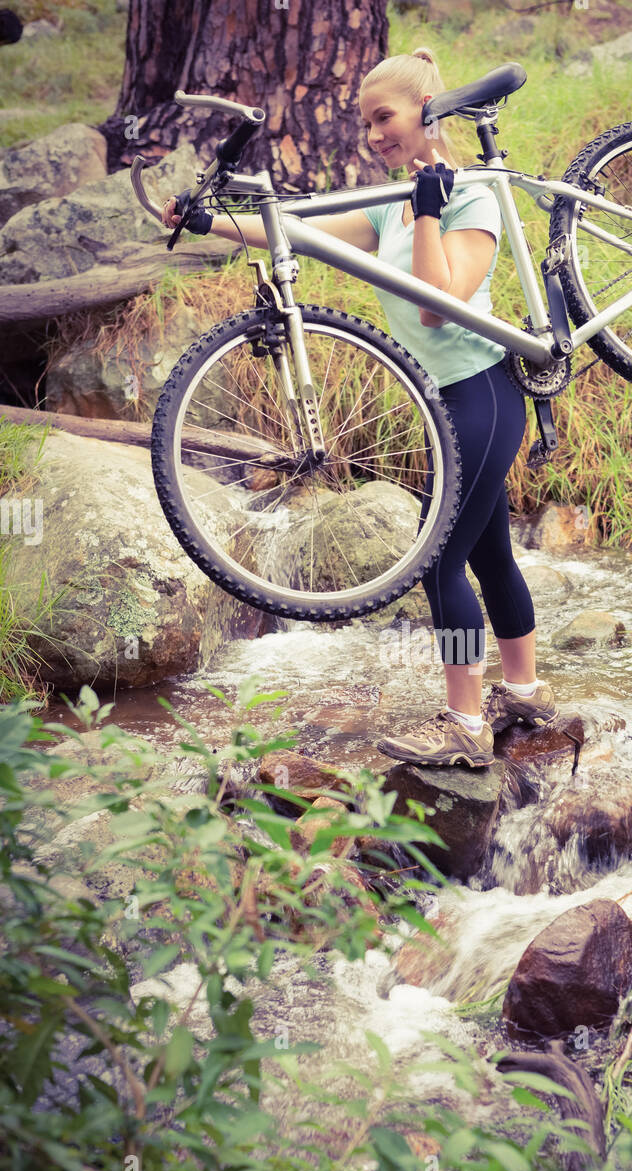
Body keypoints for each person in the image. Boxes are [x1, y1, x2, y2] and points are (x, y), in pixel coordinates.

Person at [161, 47, 557, 770]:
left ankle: (467, 726)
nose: (373, 134)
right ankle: (525, 695)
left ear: (426, 113)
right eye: (365, 122)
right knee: (493, 553)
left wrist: (430, 214)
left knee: (441, 564)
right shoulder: (387, 204)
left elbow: (440, 309)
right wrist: (207, 221)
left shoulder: (468, 196)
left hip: (485, 398)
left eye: (385, 117)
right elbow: (294, 232)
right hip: (450, 406)